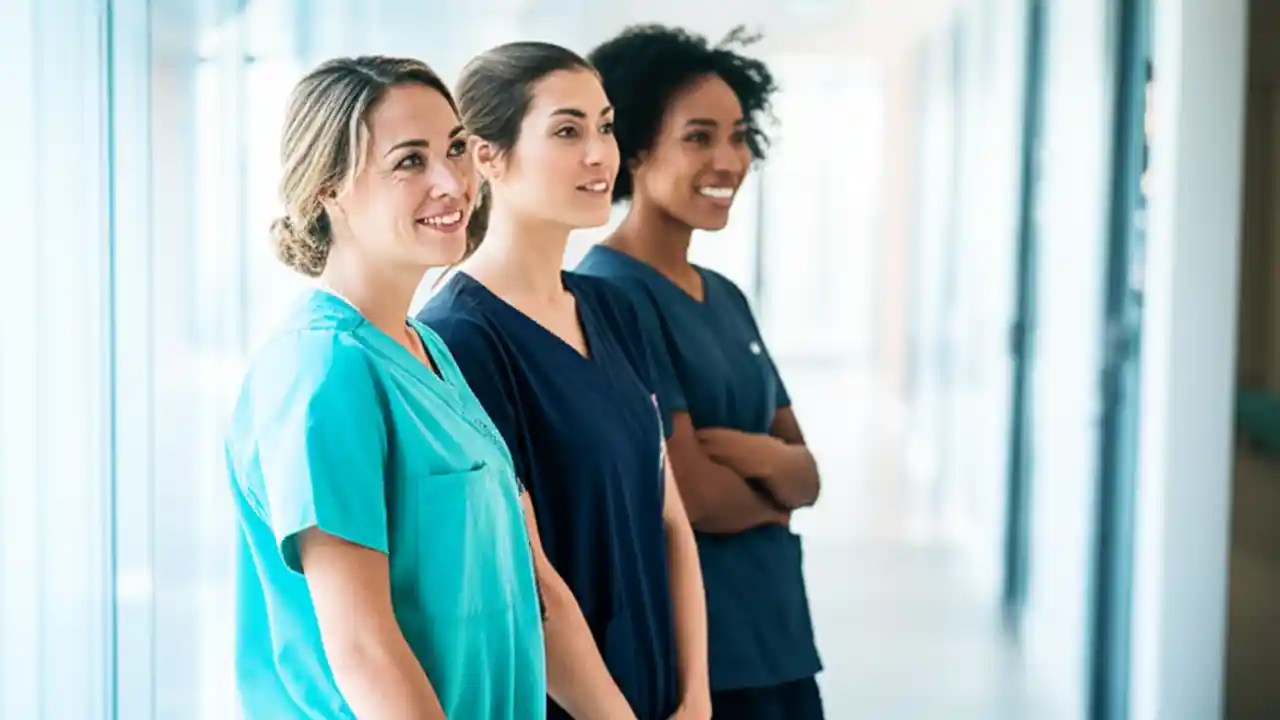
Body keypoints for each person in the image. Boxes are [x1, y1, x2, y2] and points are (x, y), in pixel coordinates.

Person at [226, 55, 629, 720]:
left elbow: (533, 588)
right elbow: (364, 649)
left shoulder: (427, 349)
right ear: (329, 186)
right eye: (409, 161)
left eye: (454, 149)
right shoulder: (323, 371)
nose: (452, 182)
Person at [417, 42, 710, 720]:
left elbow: (669, 518)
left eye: (605, 126)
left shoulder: (613, 308)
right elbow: (523, 580)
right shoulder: (460, 339)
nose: (599, 154)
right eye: (567, 130)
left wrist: (695, 698)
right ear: (487, 156)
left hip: (660, 687)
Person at [577, 25, 825, 719]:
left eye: (739, 135)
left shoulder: (724, 295)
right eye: (698, 137)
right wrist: (776, 492)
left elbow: (809, 471)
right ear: (634, 150)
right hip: (703, 658)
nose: (728, 159)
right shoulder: (608, 295)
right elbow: (695, 495)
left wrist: (762, 461)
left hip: (779, 636)